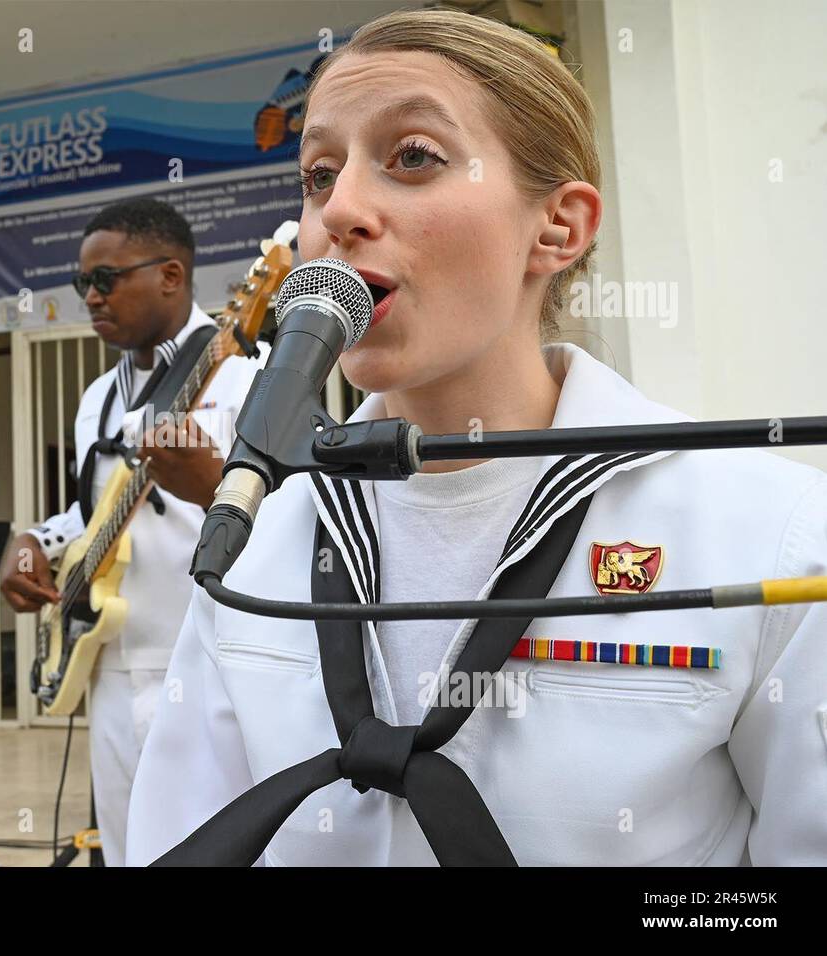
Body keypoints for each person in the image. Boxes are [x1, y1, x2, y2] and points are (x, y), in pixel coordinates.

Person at [125, 9, 827, 866]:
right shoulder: (253, 543)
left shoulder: (773, 533)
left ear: (558, 228)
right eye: (317, 175)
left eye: (412, 156)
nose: (339, 209)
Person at [0, 197, 268, 865]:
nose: (90, 296)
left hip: (207, 661)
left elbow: (300, 521)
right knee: (124, 849)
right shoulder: (98, 398)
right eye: (82, 282)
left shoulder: (246, 379)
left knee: (213, 849)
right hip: (110, 662)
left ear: (171, 275)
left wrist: (211, 486)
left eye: (106, 279)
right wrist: (34, 542)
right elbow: (89, 515)